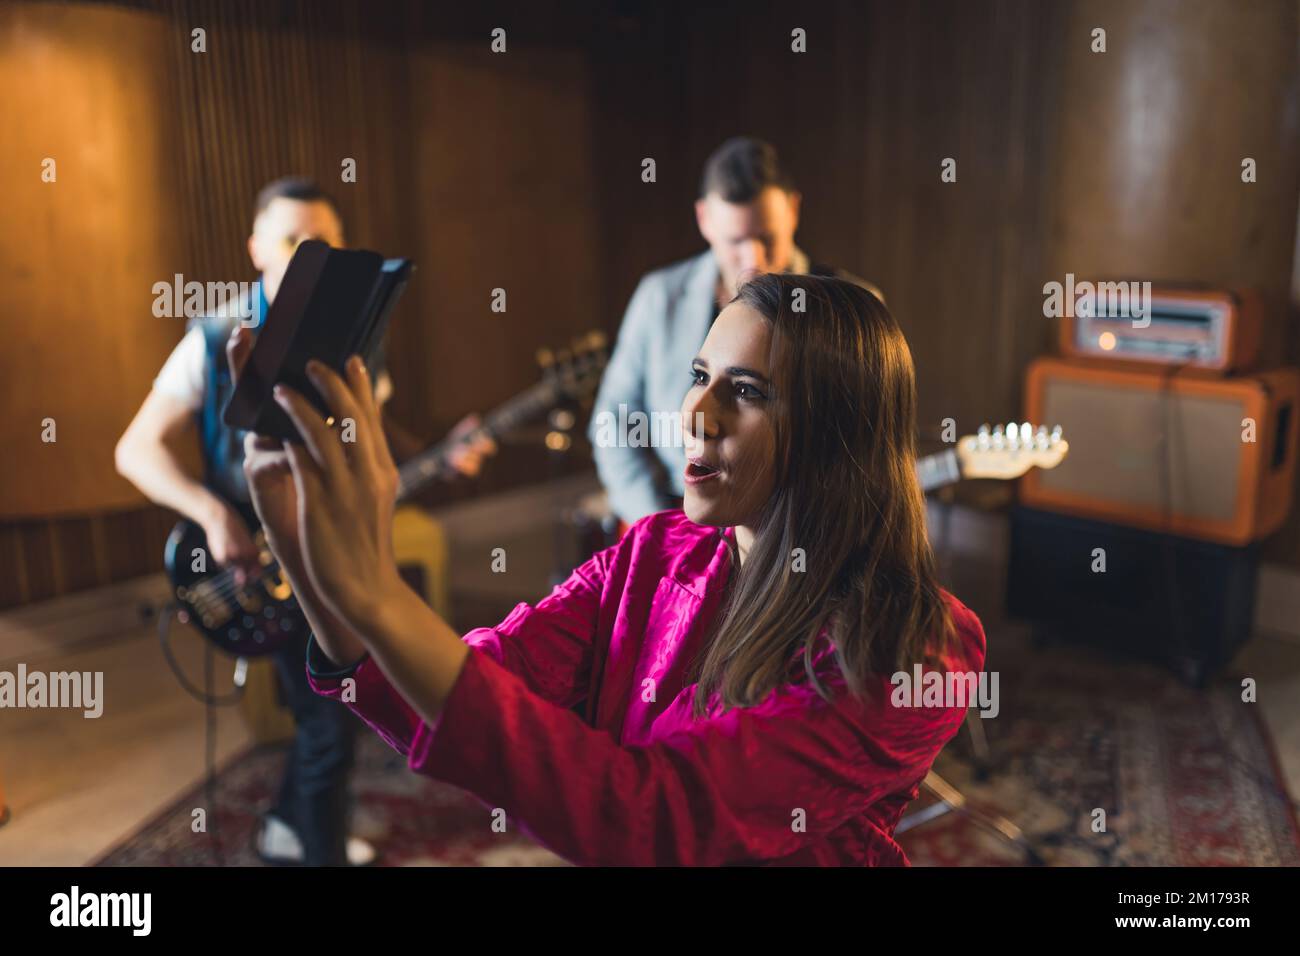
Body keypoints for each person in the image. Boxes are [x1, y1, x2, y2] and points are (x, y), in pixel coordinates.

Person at [233, 273, 986, 866]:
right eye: (701, 374)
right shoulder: (655, 551)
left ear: (837, 432)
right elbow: (479, 682)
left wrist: (373, 588)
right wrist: (310, 559)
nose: (697, 411)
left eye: (748, 392)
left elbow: (653, 819)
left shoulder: (920, 650)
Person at [115, 176, 493, 866]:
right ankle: (308, 846)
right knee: (329, 720)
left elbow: (371, 434)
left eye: (323, 244)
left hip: (332, 555)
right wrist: (213, 514)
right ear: (257, 246)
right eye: (291, 240)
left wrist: (444, 451)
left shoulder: (357, 338)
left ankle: (292, 824)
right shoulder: (215, 337)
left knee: (339, 710)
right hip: (256, 563)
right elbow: (134, 449)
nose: (306, 256)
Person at [590, 136, 884, 523]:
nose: (754, 262)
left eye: (767, 238)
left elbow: (865, 452)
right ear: (704, 220)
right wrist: (659, 524)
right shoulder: (658, 296)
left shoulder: (854, 308)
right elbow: (614, 422)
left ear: (793, 210)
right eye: (736, 242)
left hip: (797, 527)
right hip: (675, 509)